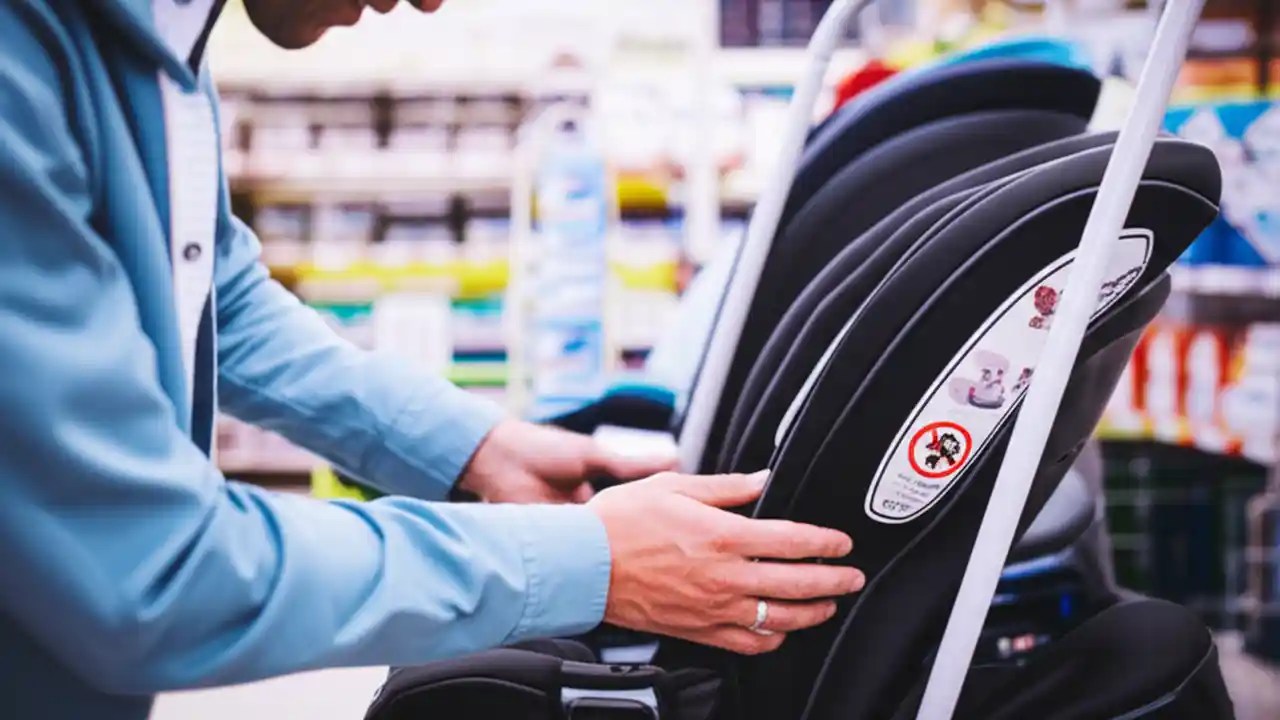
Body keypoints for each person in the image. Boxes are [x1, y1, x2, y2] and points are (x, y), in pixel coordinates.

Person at [0, 1, 866, 718]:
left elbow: (213, 291)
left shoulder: (154, 38)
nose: (427, 2)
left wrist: (475, 449)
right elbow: (151, 567)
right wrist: (586, 563)